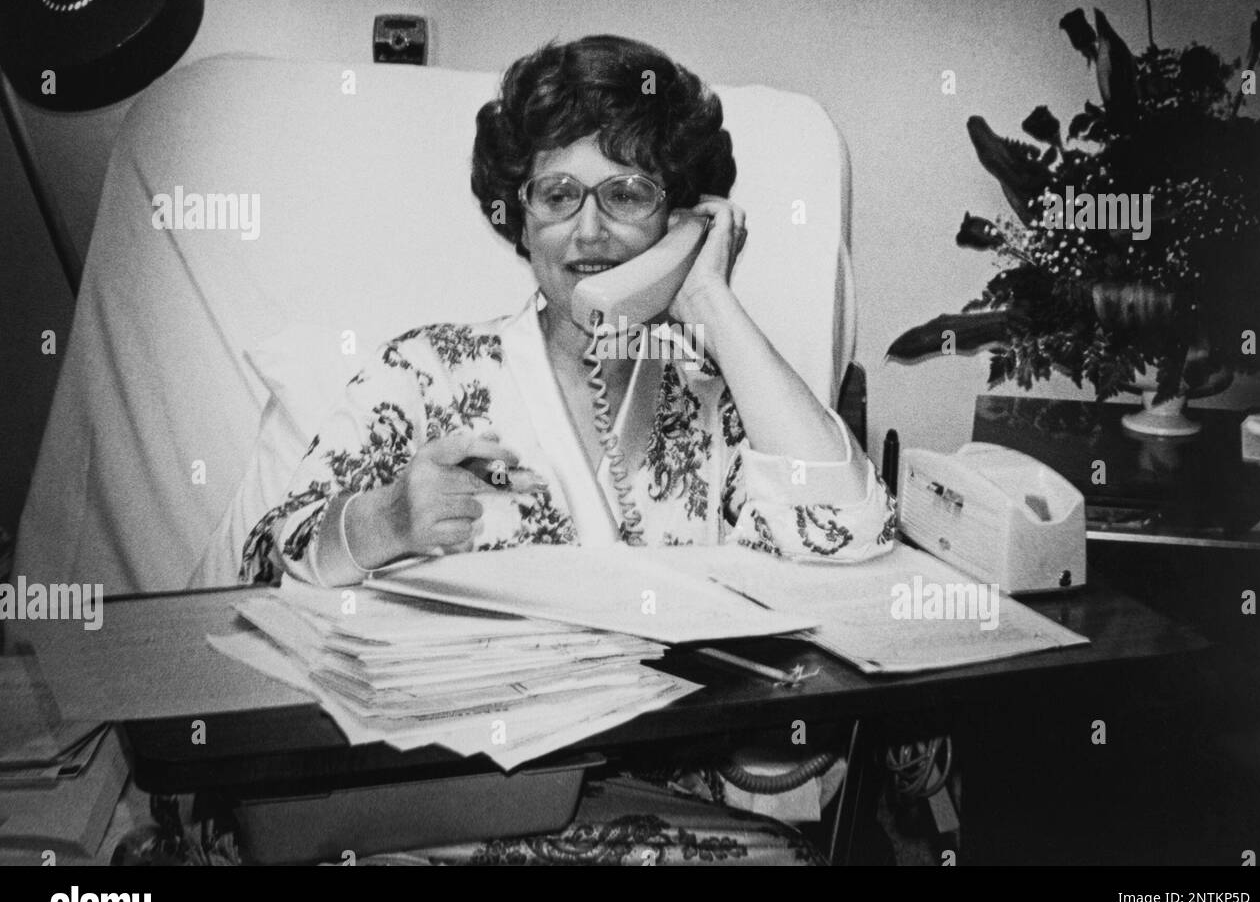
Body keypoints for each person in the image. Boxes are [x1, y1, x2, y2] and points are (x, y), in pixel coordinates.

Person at [239, 34, 896, 588]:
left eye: (628, 194)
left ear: (680, 219)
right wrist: (385, 520)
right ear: (521, 220)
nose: (589, 231)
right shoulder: (423, 374)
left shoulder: (719, 399)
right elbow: (261, 562)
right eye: (558, 195)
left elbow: (854, 531)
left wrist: (708, 298)